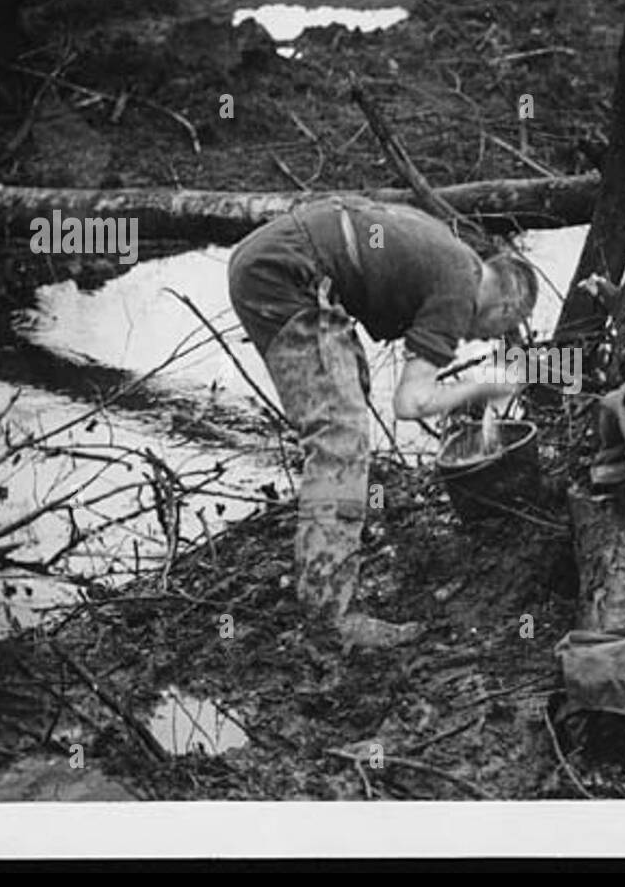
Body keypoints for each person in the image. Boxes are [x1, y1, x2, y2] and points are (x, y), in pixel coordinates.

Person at [227, 194, 537, 648]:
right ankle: (330, 618)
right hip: (285, 273)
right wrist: (483, 388)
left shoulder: (456, 259)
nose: (482, 338)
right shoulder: (460, 290)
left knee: (350, 390)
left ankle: (336, 533)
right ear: (507, 306)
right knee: (339, 437)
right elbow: (411, 403)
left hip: (272, 259)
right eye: (499, 329)